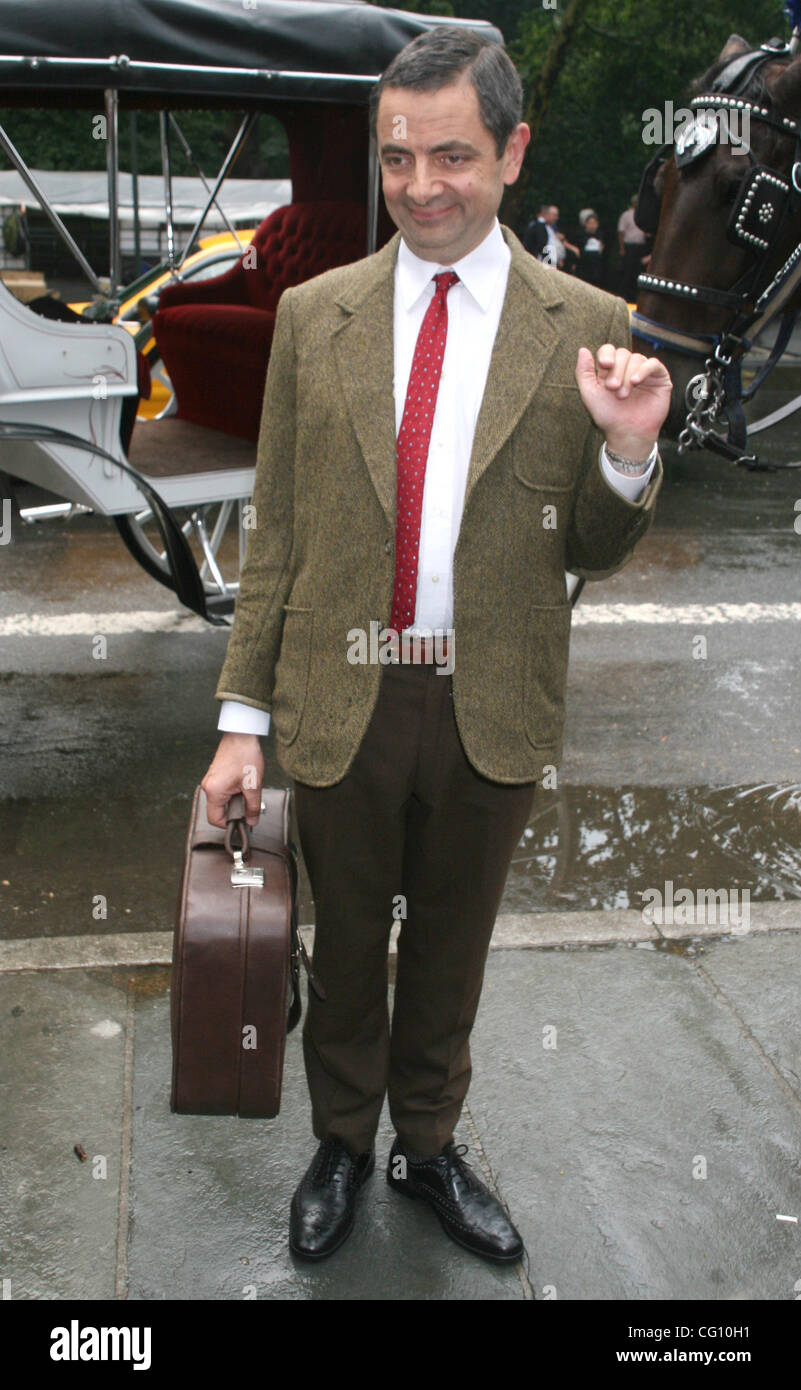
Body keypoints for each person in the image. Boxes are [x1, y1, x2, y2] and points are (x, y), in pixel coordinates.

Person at [201, 26, 670, 1265]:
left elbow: (597, 548)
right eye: (398, 156)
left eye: (451, 155)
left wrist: (627, 451)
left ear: (513, 152)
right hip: (340, 691)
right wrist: (239, 727)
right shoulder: (315, 317)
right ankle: (343, 1143)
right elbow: (280, 532)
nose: (420, 186)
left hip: (490, 698)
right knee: (346, 943)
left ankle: (427, 1144)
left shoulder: (589, 320)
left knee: (450, 949)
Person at [617, 194, 650, 302]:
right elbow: (621, 232)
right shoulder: (626, 215)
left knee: (638, 271)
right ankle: (624, 295)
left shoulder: (643, 214)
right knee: (628, 271)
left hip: (640, 247)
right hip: (629, 246)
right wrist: (622, 248)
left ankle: (635, 296)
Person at [575, 208, 606, 289]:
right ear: (586, 224)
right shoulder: (580, 235)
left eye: (594, 223)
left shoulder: (600, 235)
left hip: (596, 266)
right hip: (583, 266)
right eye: (590, 223)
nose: (592, 226)